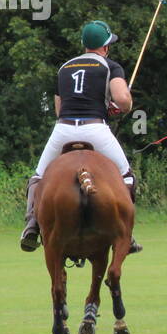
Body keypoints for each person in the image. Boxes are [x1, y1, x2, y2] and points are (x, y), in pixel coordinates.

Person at [21, 20, 142, 253]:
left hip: (63, 129)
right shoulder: (111, 66)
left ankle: (31, 225)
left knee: (37, 177)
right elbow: (123, 100)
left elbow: (59, 108)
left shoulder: (64, 67)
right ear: (105, 47)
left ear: (84, 44)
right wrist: (122, 105)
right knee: (126, 176)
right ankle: (124, 229)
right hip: (95, 129)